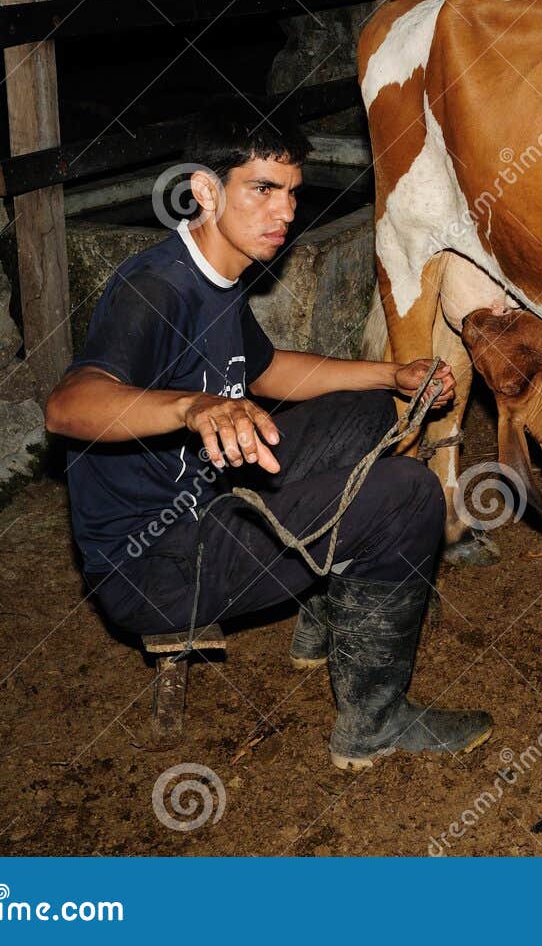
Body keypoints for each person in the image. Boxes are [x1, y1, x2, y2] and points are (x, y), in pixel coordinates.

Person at [44, 97, 491, 767]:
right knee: (408, 494)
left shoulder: (218, 276)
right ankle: (373, 721)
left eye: (292, 193)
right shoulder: (155, 290)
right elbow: (68, 405)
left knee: (369, 415)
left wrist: (387, 376)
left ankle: (322, 615)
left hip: (211, 503)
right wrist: (192, 408)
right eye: (262, 189)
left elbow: (272, 369)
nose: (284, 211)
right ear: (204, 190)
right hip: (156, 563)